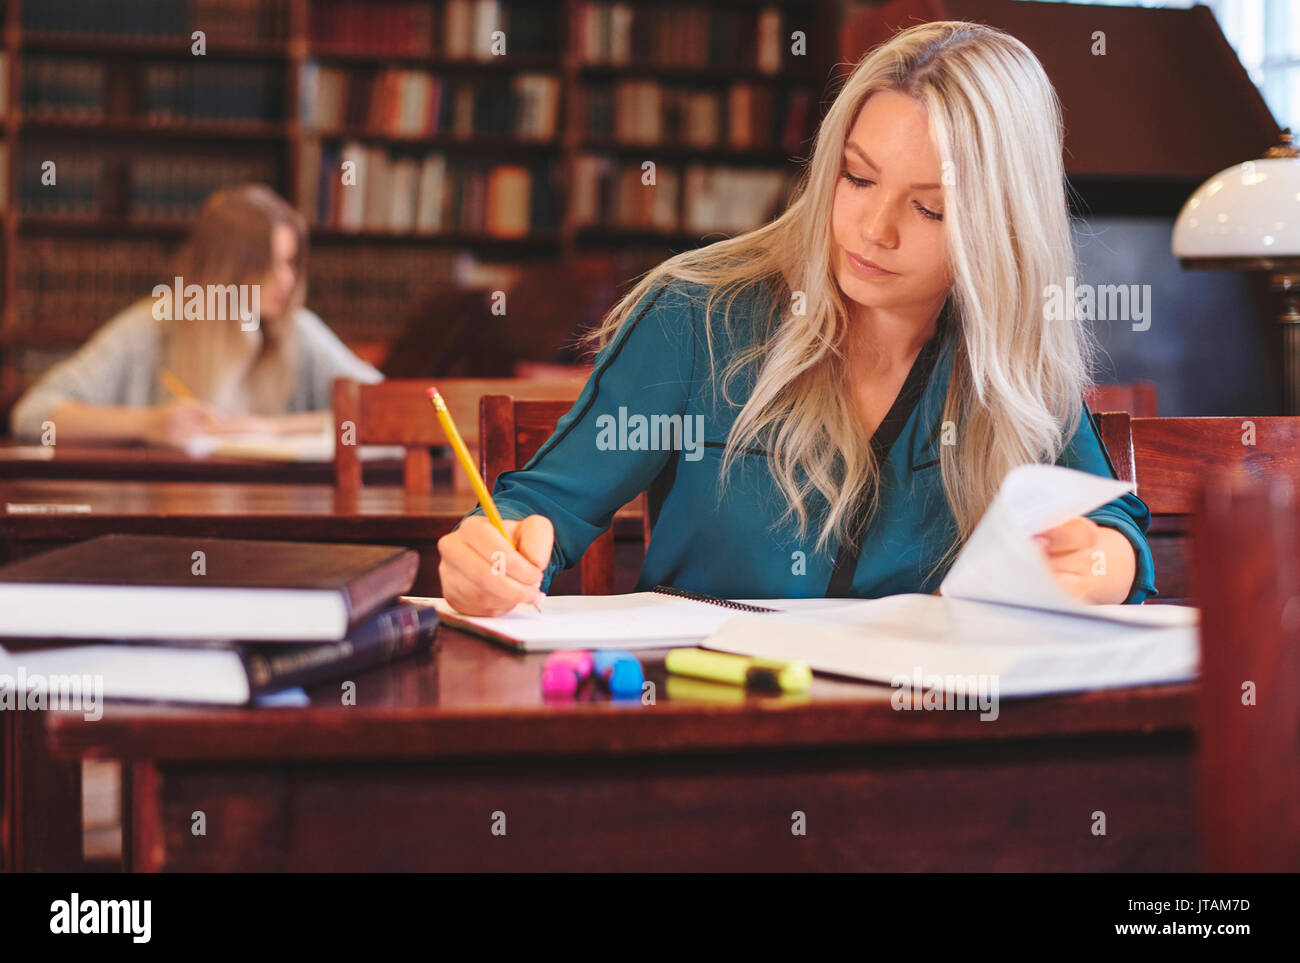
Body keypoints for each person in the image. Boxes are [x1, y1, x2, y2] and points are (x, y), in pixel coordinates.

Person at [438, 21, 1158, 615]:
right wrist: (490, 551)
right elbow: (539, 507)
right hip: (703, 724)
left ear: (1003, 227)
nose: (874, 228)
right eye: (858, 176)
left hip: (916, 739)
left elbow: (1111, 528)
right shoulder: (695, 316)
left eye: (930, 207)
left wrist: (1104, 560)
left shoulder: (1006, 354)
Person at [9, 184, 382, 447]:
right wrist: (147, 424)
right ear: (224, 269)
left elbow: (386, 410)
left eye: (289, 263)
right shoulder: (154, 325)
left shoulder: (297, 331)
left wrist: (265, 429)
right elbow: (34, 415)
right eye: (265, 264)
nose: (284, 279)